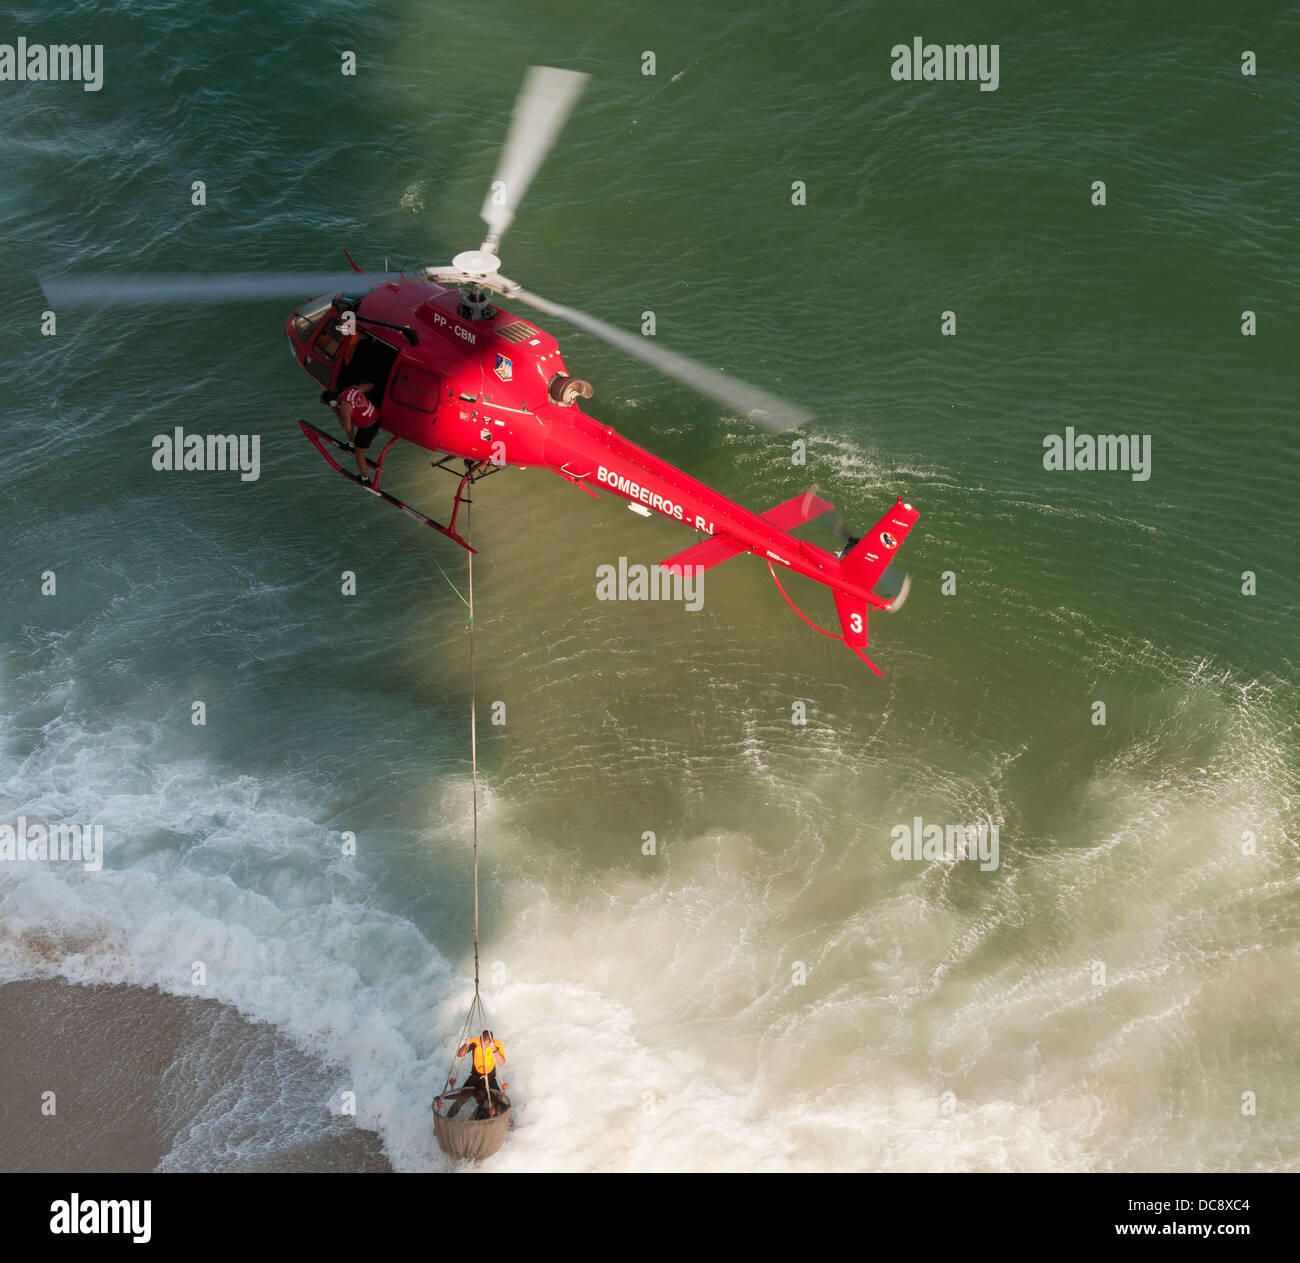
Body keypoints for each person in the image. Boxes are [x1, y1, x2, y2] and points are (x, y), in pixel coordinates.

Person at [320, 381, 381, 485]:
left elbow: (347, 427)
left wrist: (337, 412)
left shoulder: (344, 407)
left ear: (332, 403)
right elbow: (370, 386)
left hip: (368, 428)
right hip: (376, 416)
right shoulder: (351, 389)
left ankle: (364, 478)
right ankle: (351, 444)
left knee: (359, 453)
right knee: (350, 419)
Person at [458, 1029, 506, 1114]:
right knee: (461, 1098)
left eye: (486, 1043)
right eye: (482, 1041)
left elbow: (501, 1063)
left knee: (498, 1099)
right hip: (475, 1076)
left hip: (490, 1077)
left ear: (491, 1041)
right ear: (480, 1038)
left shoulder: (497, 1045)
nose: (484, 1045)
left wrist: (494, 1050)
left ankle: (507, 1120)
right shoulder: (475, 1042)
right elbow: (460, 1054)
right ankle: (448, 1118)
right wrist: (466, 1045)